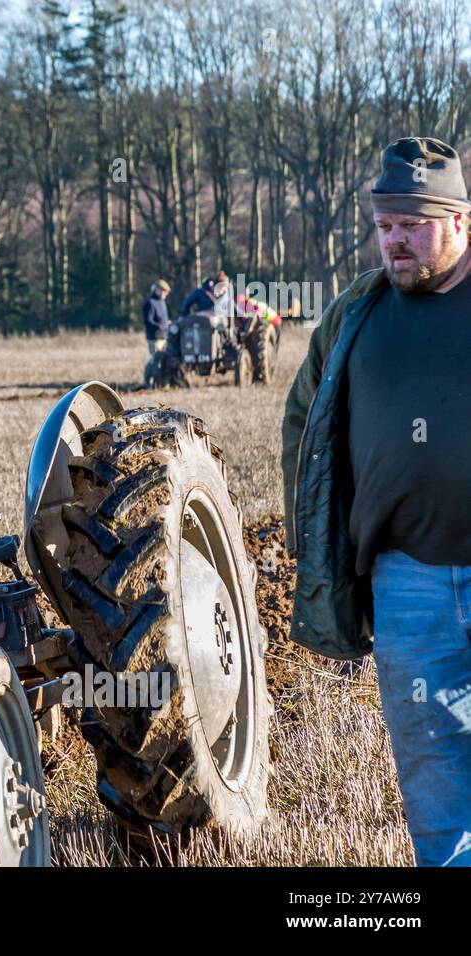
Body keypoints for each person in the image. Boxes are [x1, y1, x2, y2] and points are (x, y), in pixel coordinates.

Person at [282, 136, 471, 866]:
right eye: (385, 223)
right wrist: (322, 549)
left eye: (414, 224)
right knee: (435, 787)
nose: (395, 238)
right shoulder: (354, 316)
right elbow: (305, 429)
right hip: (407, 588)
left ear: (460, 221)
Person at [142, 279, 171, 368]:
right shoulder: (149, 303)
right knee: (156, 362)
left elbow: (162, 318)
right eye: (164, 292)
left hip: (165, 336)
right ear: (157, 290)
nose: (166, 295)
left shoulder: (162, 302)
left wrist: (167, 323)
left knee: (164, 361)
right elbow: (148, 322)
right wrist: (161, 327)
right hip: (155, 338)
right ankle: (153, 380)